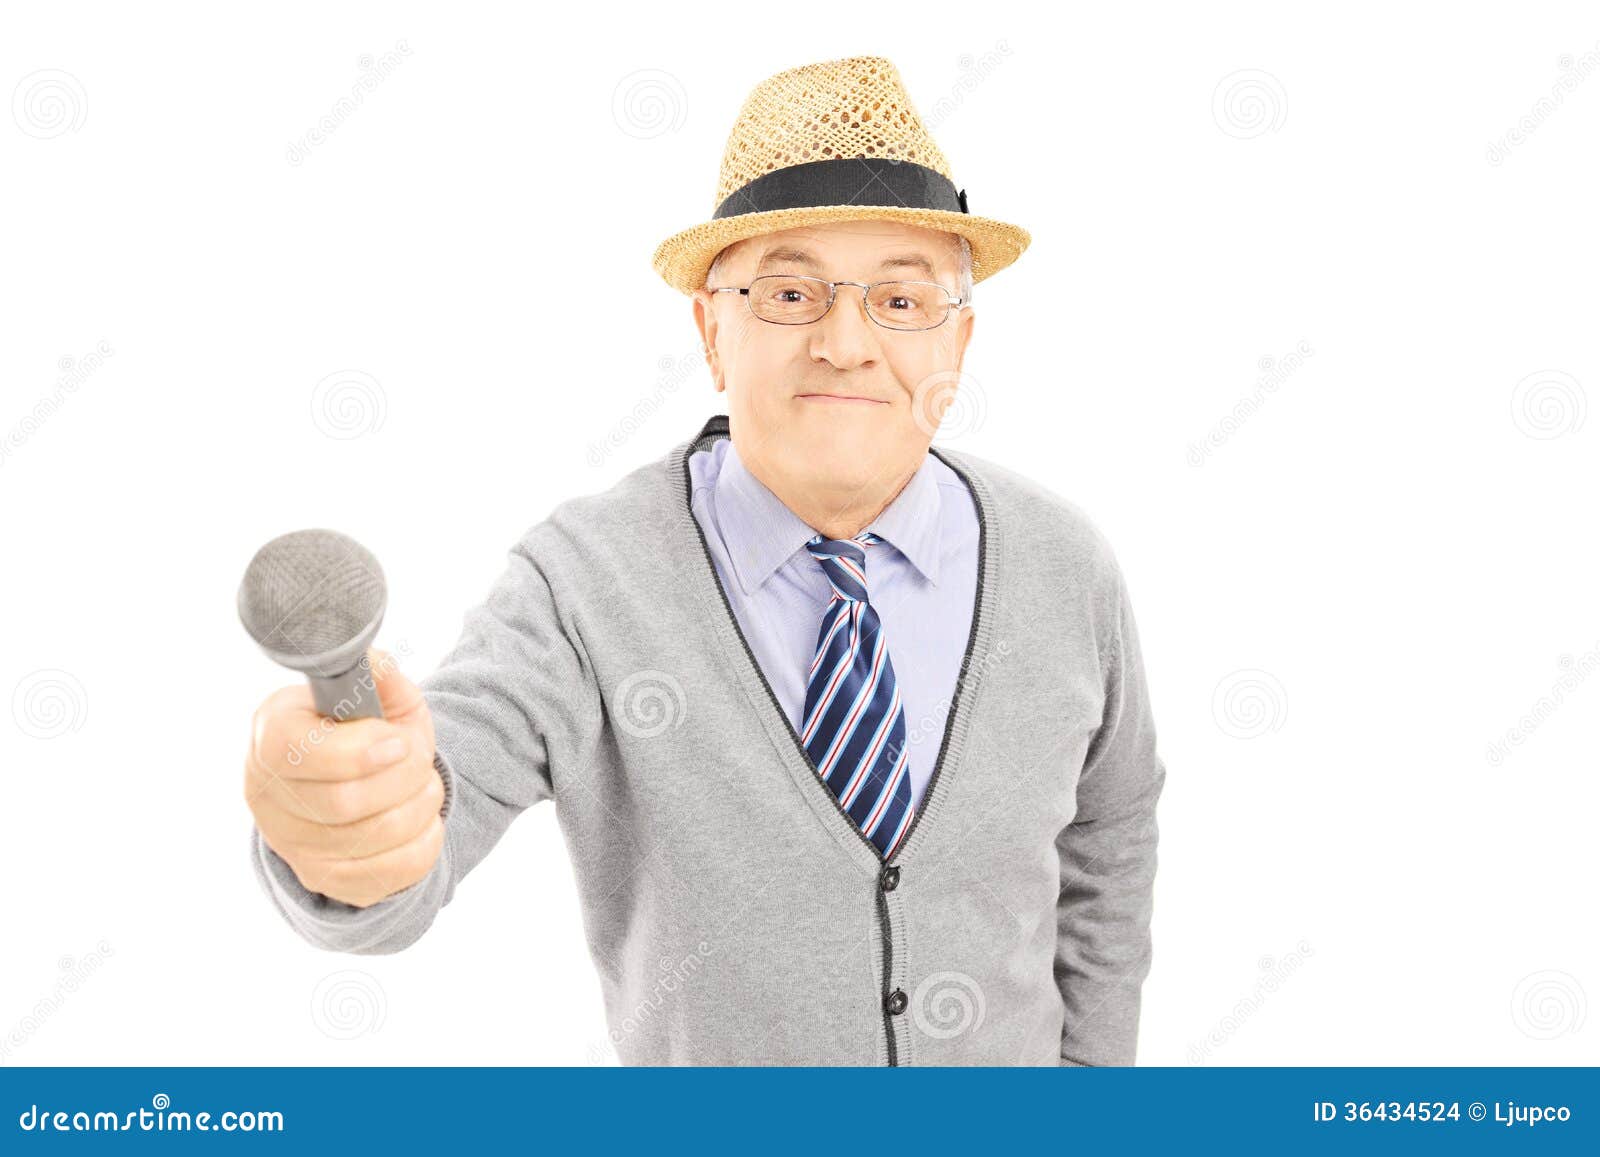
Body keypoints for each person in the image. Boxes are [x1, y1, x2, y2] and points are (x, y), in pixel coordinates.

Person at [243, 54, 1166, 1066]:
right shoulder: (582, 582)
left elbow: (1108, 844)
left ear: (958, 341)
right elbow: (418, 831)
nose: (847, 343)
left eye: (901, 302)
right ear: (711, 330)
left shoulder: (1064, 563)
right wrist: (348, 830)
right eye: (788, 292)